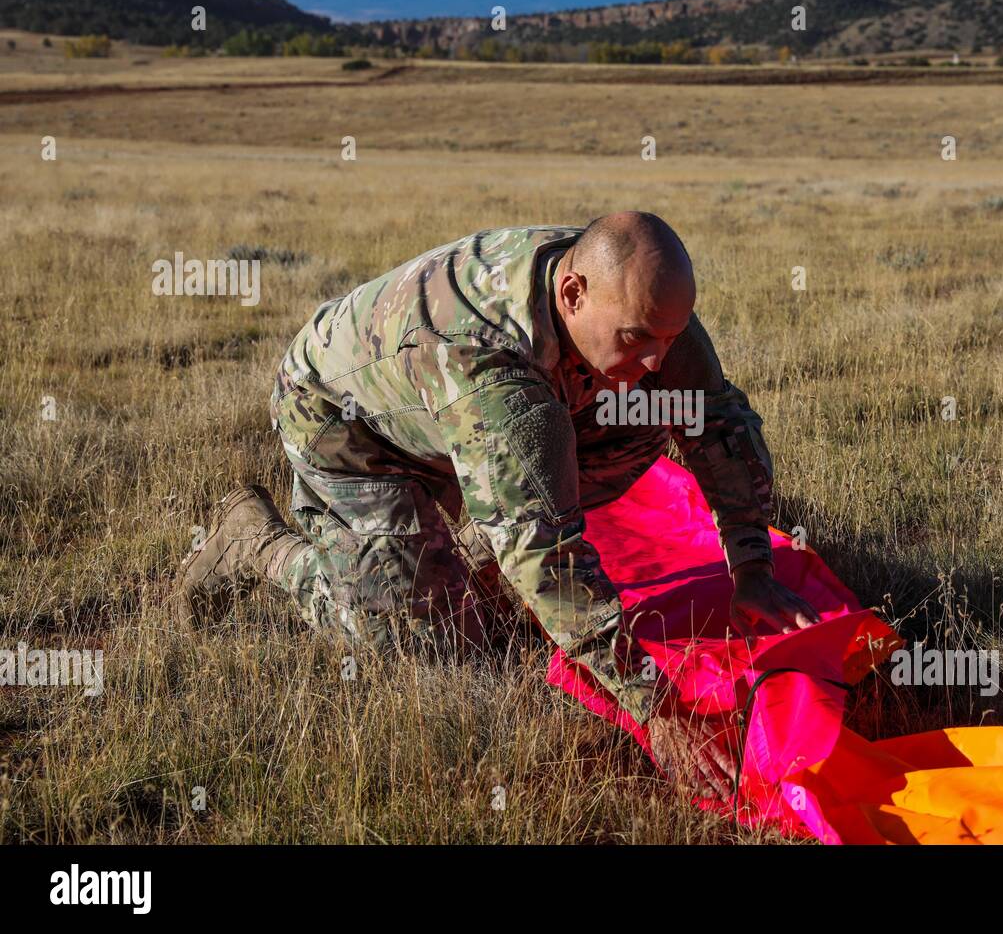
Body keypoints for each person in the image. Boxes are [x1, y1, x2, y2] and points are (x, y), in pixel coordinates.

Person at [179, 211, 820, 797]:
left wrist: (753, 571)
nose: (656, 359)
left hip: (468, 417)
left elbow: (719, 426)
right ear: (573, 294)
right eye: (638, 338)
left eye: (668, 337)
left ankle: (475, 558)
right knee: (431, 652)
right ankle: (258, 543)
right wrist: (658, 709)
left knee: (655, 411)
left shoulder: (636, 297)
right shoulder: (493, 365)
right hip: (347, 423)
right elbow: (544, 549)